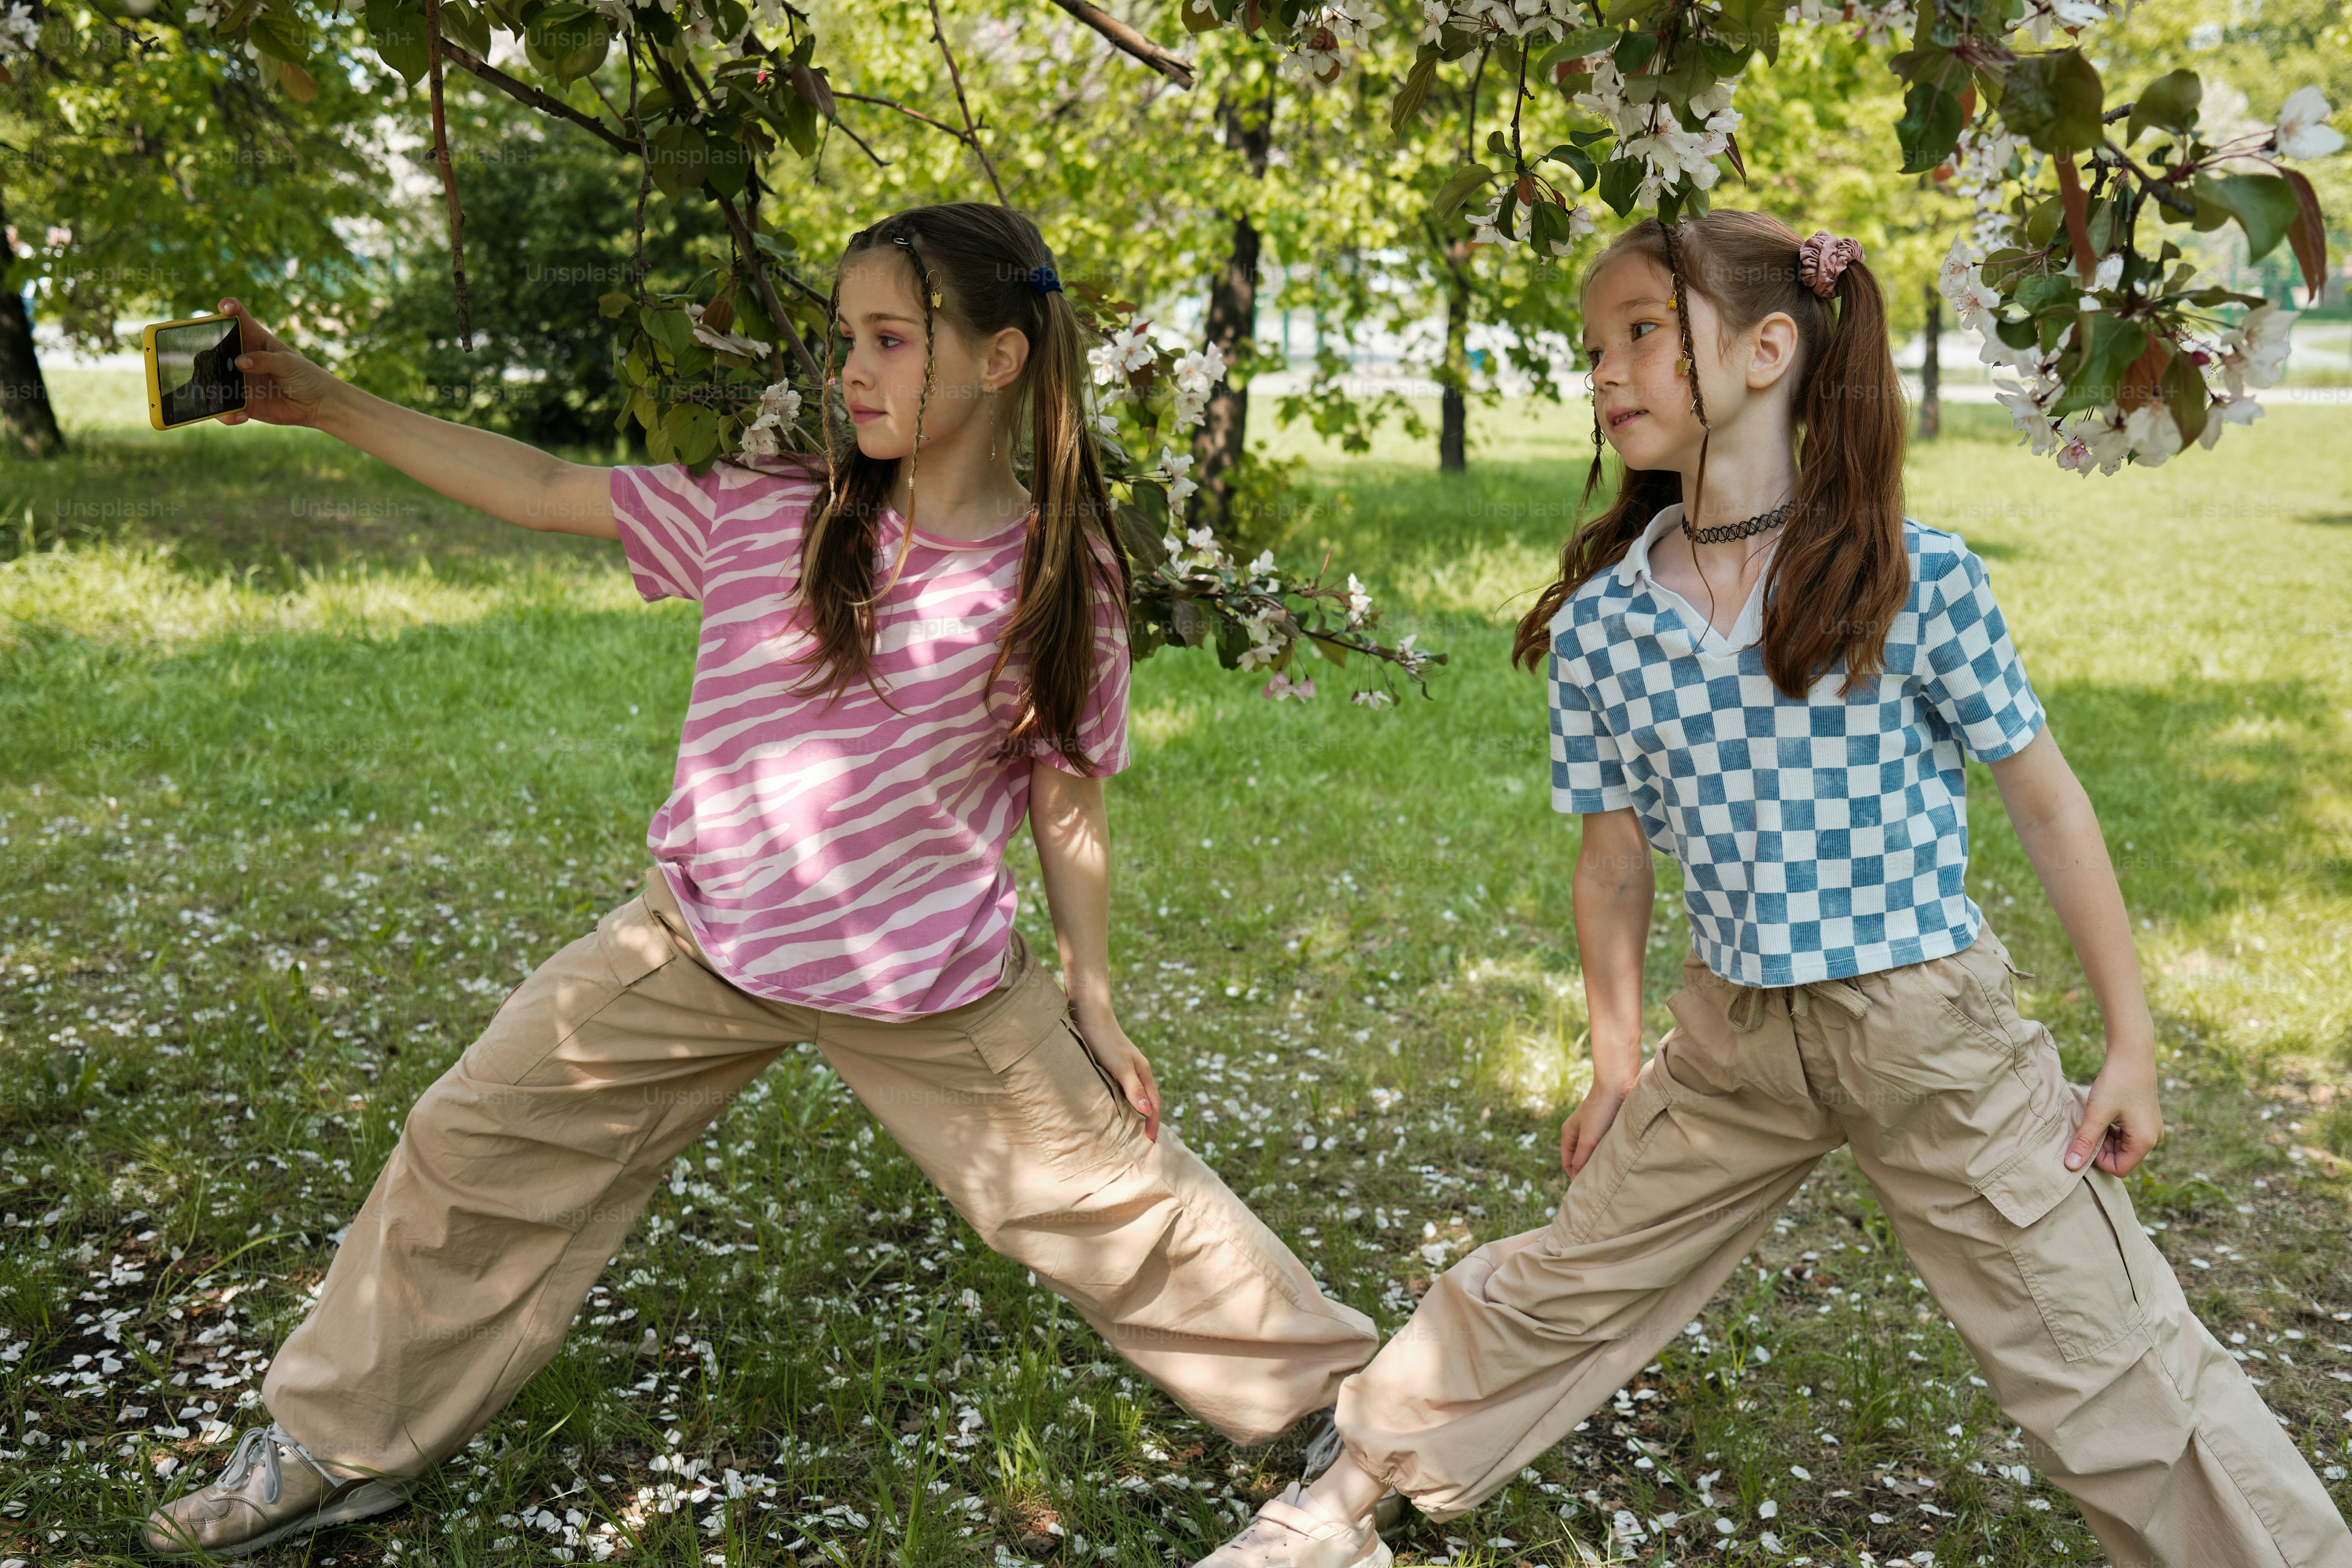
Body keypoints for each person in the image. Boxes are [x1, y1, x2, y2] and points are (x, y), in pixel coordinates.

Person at [142, 202, 1379, 1560]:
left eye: (892, 339)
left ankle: (1357, 1414)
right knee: (472, 1142)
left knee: (1109, 1200)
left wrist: (1095, 990)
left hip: (928, 979)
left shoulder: (1055, 570)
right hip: (700, 944)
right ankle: (334, 1441)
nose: (854, 368)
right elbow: (549, 486)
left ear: (1001, 360)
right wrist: (325, 403)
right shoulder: (772, 505)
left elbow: (1063, 788)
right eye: (847, 335)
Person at [1191, 210, 2352, 1568]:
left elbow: (2047, 801)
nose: (1607, 371)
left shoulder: (1915, 576)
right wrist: (1615, 1067)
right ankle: (1335, 1509)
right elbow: (1614, 862)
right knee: (1558, 1286)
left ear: (1767, 348)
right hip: (1733, 1044)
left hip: (1934, 1042)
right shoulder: (1605, 625)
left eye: (1640, 333)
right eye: (1593, 347)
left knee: (2104, 1356)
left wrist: (2132, 1043)